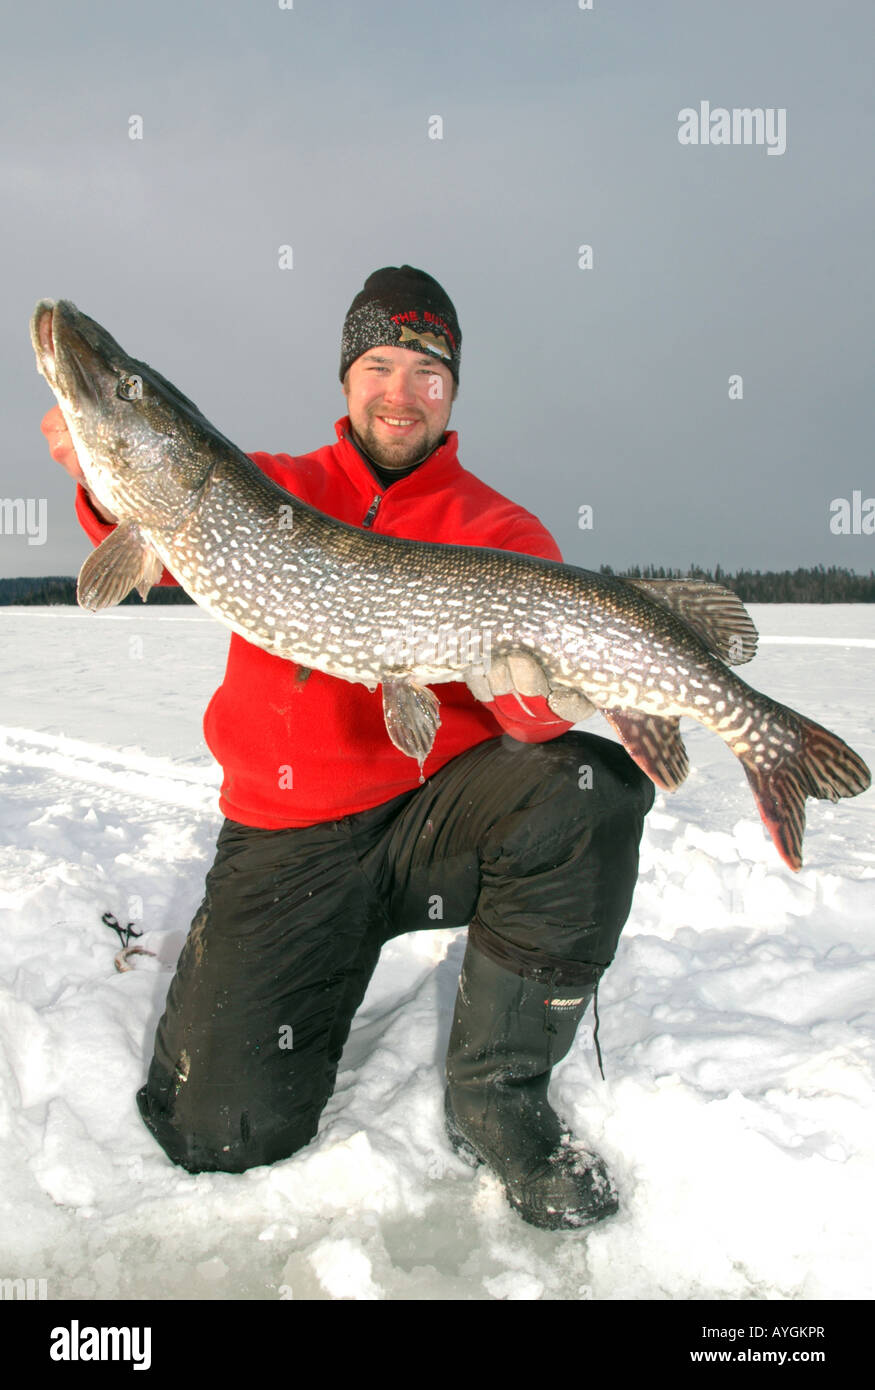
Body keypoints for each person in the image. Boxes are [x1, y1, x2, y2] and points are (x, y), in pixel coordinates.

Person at [42, 266, 654, 1230]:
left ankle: (497, 1092)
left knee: (588, 785)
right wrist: (98, 464)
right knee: (218, 1135)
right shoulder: (268, 485)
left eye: (426, 371)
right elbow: (140, 536)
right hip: (288, 842)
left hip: (431, 827)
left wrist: (541, 702)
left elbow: (530, 727)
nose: (400, 392)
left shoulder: (501, 532)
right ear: (345, 377)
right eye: (378, 365)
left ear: (452, 391)